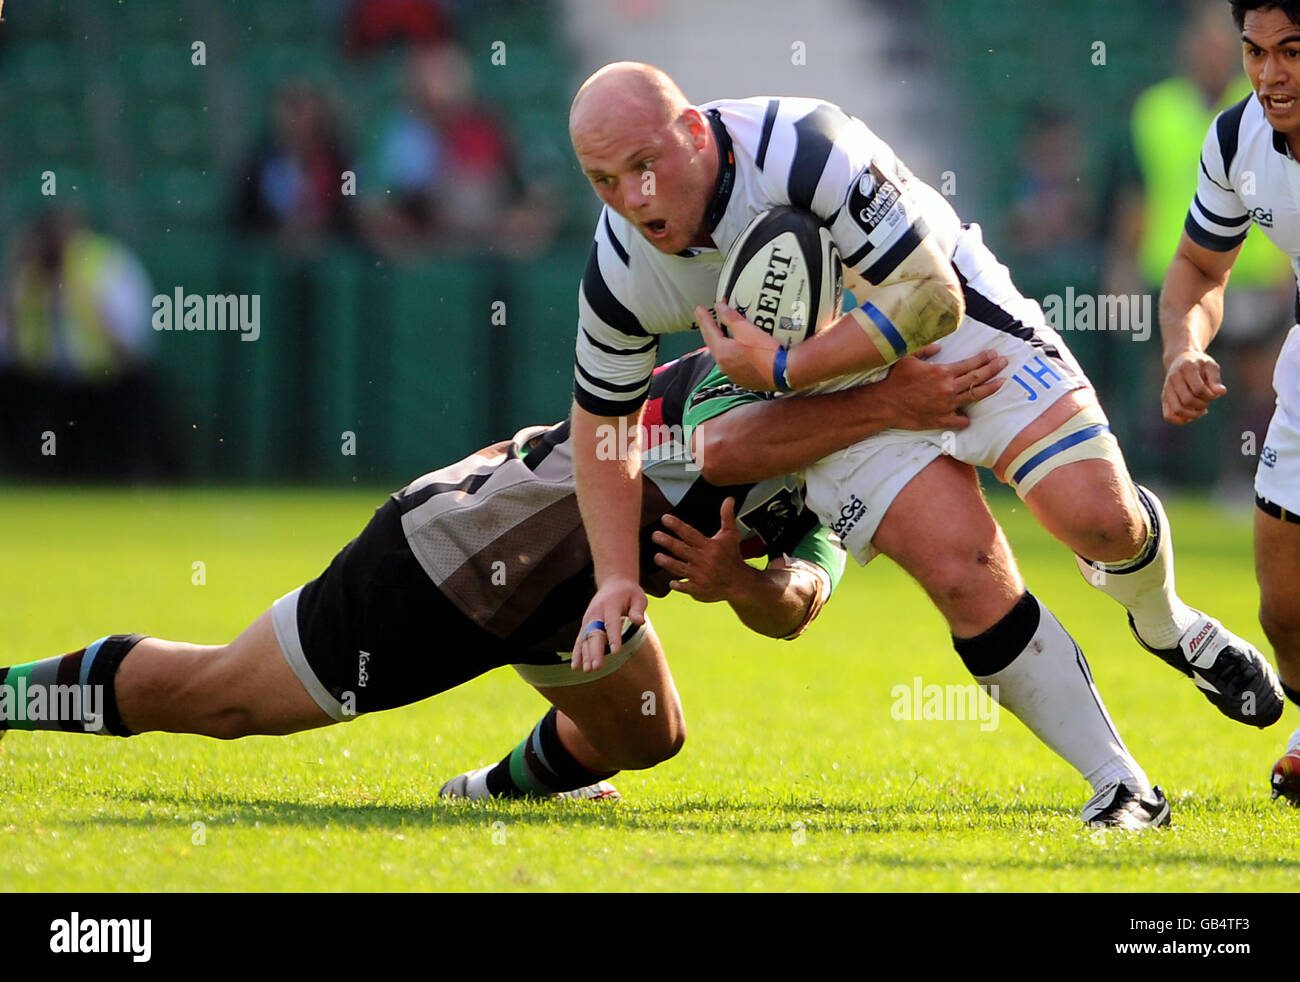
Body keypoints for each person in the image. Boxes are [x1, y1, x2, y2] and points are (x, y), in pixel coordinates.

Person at [562, 63, 1283, 768]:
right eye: (603, 181)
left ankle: (1167, 626)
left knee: (1101, 521)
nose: (630, 197)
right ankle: (1118, 782)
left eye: (642, 165)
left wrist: (782, 369)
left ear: (692, 130)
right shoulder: (621, 265)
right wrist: (616, 578)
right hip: (825, 389)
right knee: (963, 571)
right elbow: (602, 426)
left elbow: (933, 299)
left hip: (950, 317)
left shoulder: (803, 146)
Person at [0, 347, 1000, 804]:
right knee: (217, 700)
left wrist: (738, 584)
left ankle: (481, 794)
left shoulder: (860, 466)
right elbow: (723, 446)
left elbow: (799, 603)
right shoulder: (749, 376)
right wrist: (892, 405)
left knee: (646, 734)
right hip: (460, 556)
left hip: (579, 596)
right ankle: (10, 694)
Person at [1158, 0, 1300, 803]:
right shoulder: (1234, 137)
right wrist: (1185, 348)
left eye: (1292, 52)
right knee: (1283, 611)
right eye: (1256, 52)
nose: (1270, 75)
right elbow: (1198, 270)